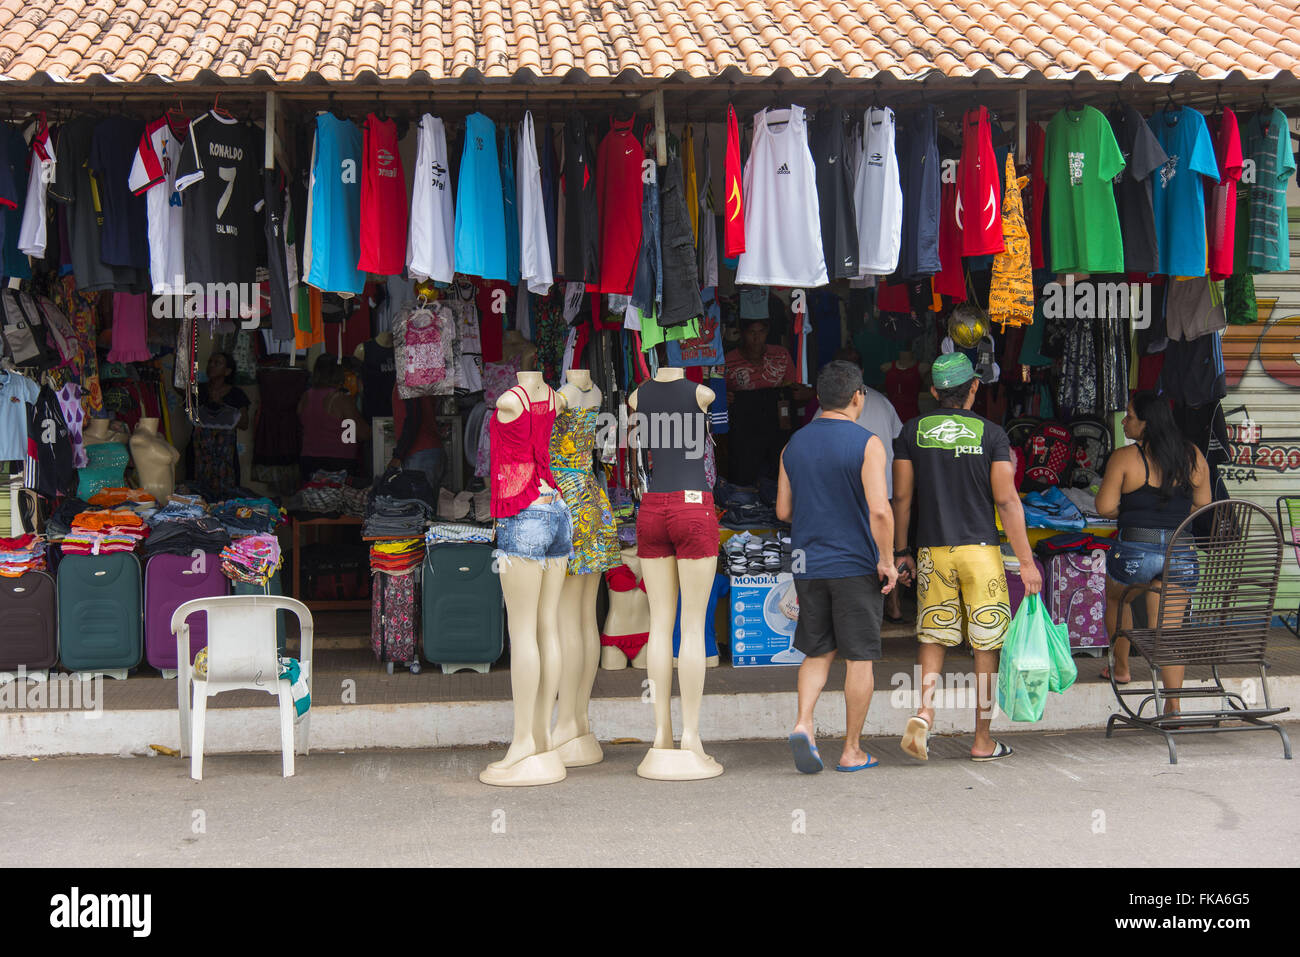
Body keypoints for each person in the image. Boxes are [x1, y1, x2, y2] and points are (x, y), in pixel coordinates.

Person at [892, 353, 1040, 762]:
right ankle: (982, 739)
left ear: (935, 392)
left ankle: (924, 710)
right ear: (974, 387)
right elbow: (1007, 501)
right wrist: (1026, 561)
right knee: (985, 644)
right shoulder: (992, 435)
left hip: (933, 551)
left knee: (933, 635)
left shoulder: (911, 431)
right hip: (981, 553)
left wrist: (901, 551)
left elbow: (902, 497)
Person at [777, 360, 897, 774]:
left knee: (816, 650)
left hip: (807, 564)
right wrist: (887, 560)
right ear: (858, 397)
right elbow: (880, 511)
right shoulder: (868, 444)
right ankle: (850, 750)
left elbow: (782, 509)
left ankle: (804, 724)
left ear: (819, 398)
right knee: (859, 656)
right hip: (854, 563)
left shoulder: (793, 445)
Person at [1094, 391, 1211, 716]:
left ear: (1147, 422)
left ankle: (1121, 668)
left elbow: (1104, 506)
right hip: (1181, 551)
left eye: (1130, 416)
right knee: (1169, 629)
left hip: (1135, 550)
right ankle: (1172, 704)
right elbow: (1203, 503)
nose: (1124, 421)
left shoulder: (1124, 457)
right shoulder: (1192, 456)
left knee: (1118, 598)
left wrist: (1131, 508)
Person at [824, 346, 906, 620]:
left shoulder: (827, 411)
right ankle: (892, 608)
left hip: (848, 492)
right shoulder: (882, 401)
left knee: (860, 551)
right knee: (888, 547)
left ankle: (859, 614)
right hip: (885, 488)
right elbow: (899, 438)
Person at [724, 317, 809, 484]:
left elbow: (794, 389)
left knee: (780, 468)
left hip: (778, 419)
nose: (757, 338)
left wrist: (804, 393)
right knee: (744, 470)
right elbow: (720, 392)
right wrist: (724, 397)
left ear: (767, 333)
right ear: (742, 334)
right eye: (751, 333)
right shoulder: (729, 360)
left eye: (761, 332)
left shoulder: (780, 354)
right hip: (745, 423)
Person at [297, 355, 370, 482]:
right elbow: (361, 433)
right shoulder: (340, 399)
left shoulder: (305, 397)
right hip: (338, 462)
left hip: (308, 460)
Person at [190, 351, 251, 500]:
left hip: (225, 457)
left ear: (228, 371)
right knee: (197, 495)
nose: (211, 365)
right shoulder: (197, 391)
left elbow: (244, 424)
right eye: (210, 362)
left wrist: (222, 407)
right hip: (200, 455)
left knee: (226, 499)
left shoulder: (236, 394)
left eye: (217, 363)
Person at [388, 383, 444, 491]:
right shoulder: (423, 380)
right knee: (428, 503)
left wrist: (398, 455)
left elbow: (413, 418)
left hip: (420, 454)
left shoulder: (407, 378)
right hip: (432, 450)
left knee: (417, 502)